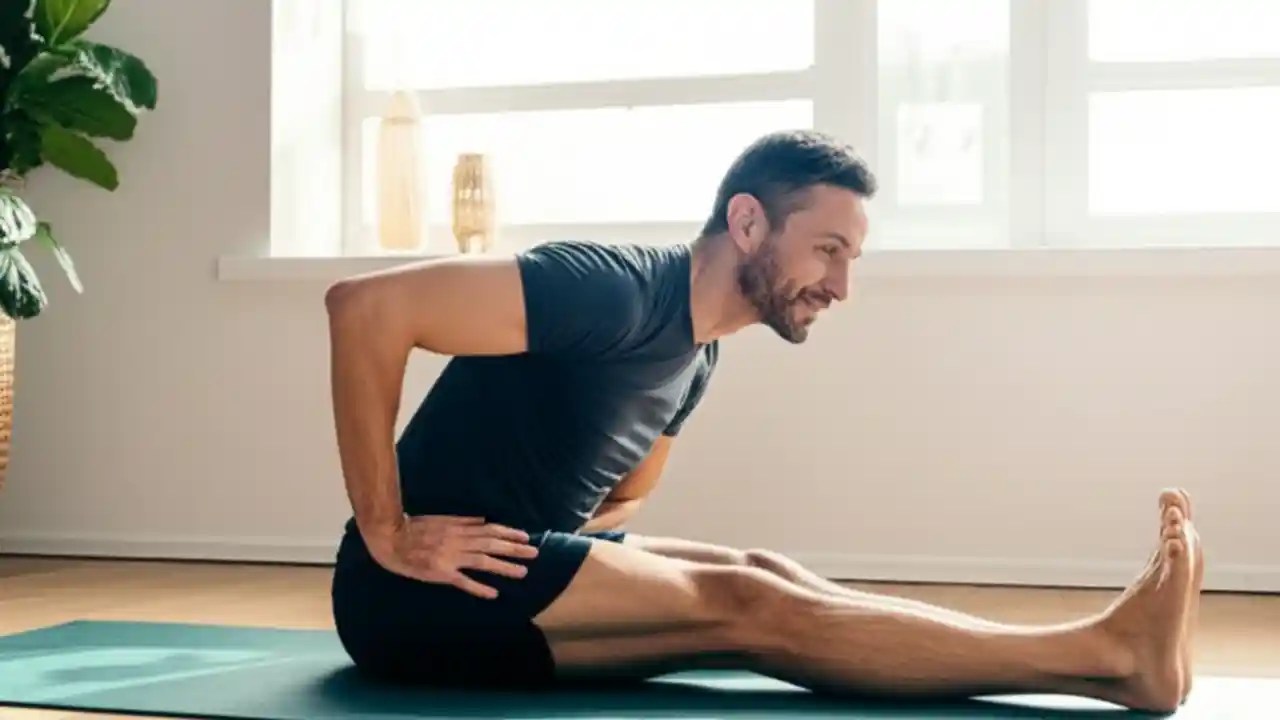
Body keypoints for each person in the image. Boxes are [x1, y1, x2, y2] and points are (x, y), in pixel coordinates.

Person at [324, 129, 1202, 713]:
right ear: (748, 222)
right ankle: (1107, 657)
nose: (841, 286)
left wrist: (577, 546)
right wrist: (387, 530)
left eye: (851, 258)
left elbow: (621, 500)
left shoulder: (699, 354)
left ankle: (1105, 643)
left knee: (759, 571)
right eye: (827, 250)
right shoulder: (614, 290)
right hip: (411, 593)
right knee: (744, 606)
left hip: (508, 561)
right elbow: (364, 308)